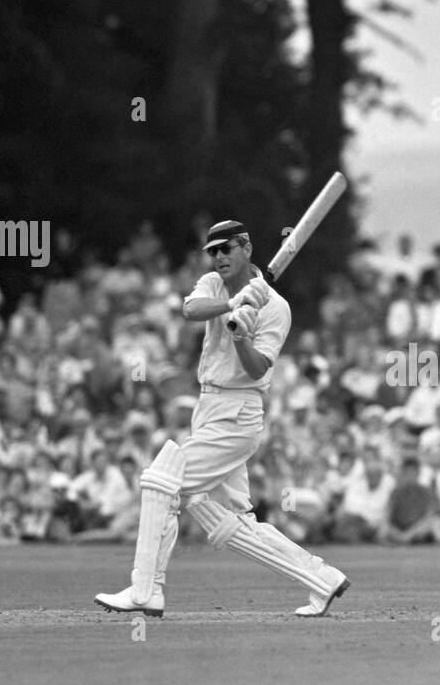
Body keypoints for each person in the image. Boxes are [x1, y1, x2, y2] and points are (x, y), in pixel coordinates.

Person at [95, 219, 351, 619]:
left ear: (246, 247)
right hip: (207, 406)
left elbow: (255, 369)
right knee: (226, 519)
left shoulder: (277, 308)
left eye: (226, 249)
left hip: (238, 412)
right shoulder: (214, 284)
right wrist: (233, 305)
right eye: (212, 251)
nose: (218, 258)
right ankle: (322, 578)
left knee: (162, 479)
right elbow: (189, 309)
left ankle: (146, 590)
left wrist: (239, 336)